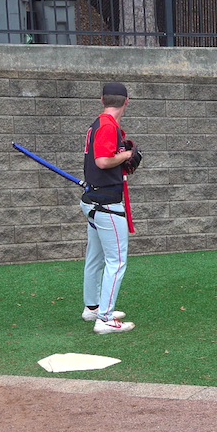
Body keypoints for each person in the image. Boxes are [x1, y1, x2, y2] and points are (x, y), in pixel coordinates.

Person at [80, 82, 138, 333]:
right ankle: (104, 318)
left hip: (93, 200)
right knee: (116, 261)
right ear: (126, 102)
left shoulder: (98, 124)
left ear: (102, 99)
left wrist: (121, 154)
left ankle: (93, 308)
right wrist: (126, 156)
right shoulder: (106, 126)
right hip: (106, 204)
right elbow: (103, 161)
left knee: (95, 257)